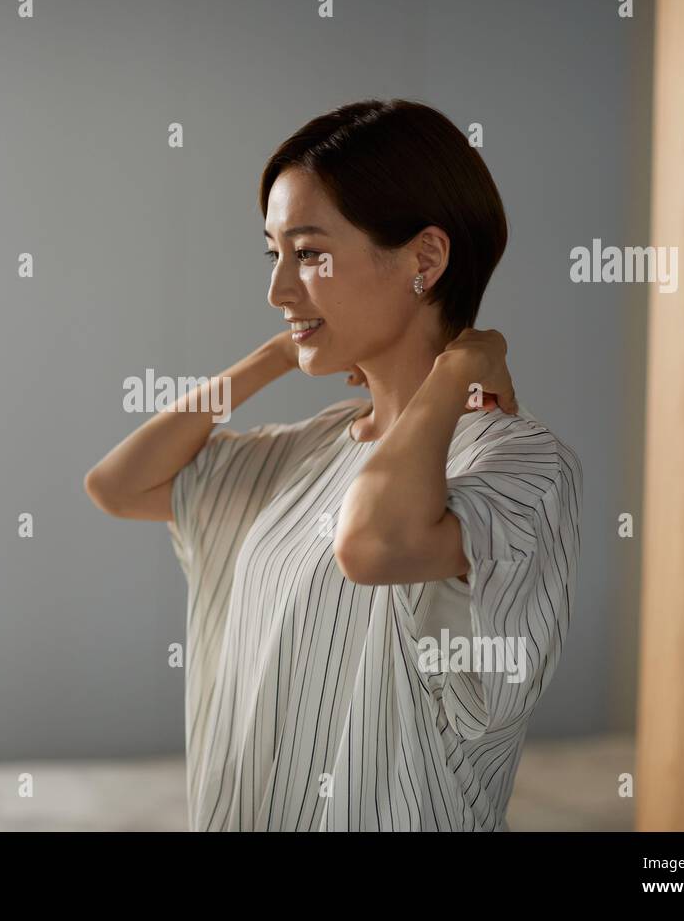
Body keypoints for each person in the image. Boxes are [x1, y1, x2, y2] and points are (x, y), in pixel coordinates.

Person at [84, 99, 582, 831]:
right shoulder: (311, 447)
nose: (277, 290)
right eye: (274, 254)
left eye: (310, 254)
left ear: (425, 260)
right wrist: (278, 352)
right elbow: (120, 484)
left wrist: (456, 373)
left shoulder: (521, 466)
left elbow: (372, 544)